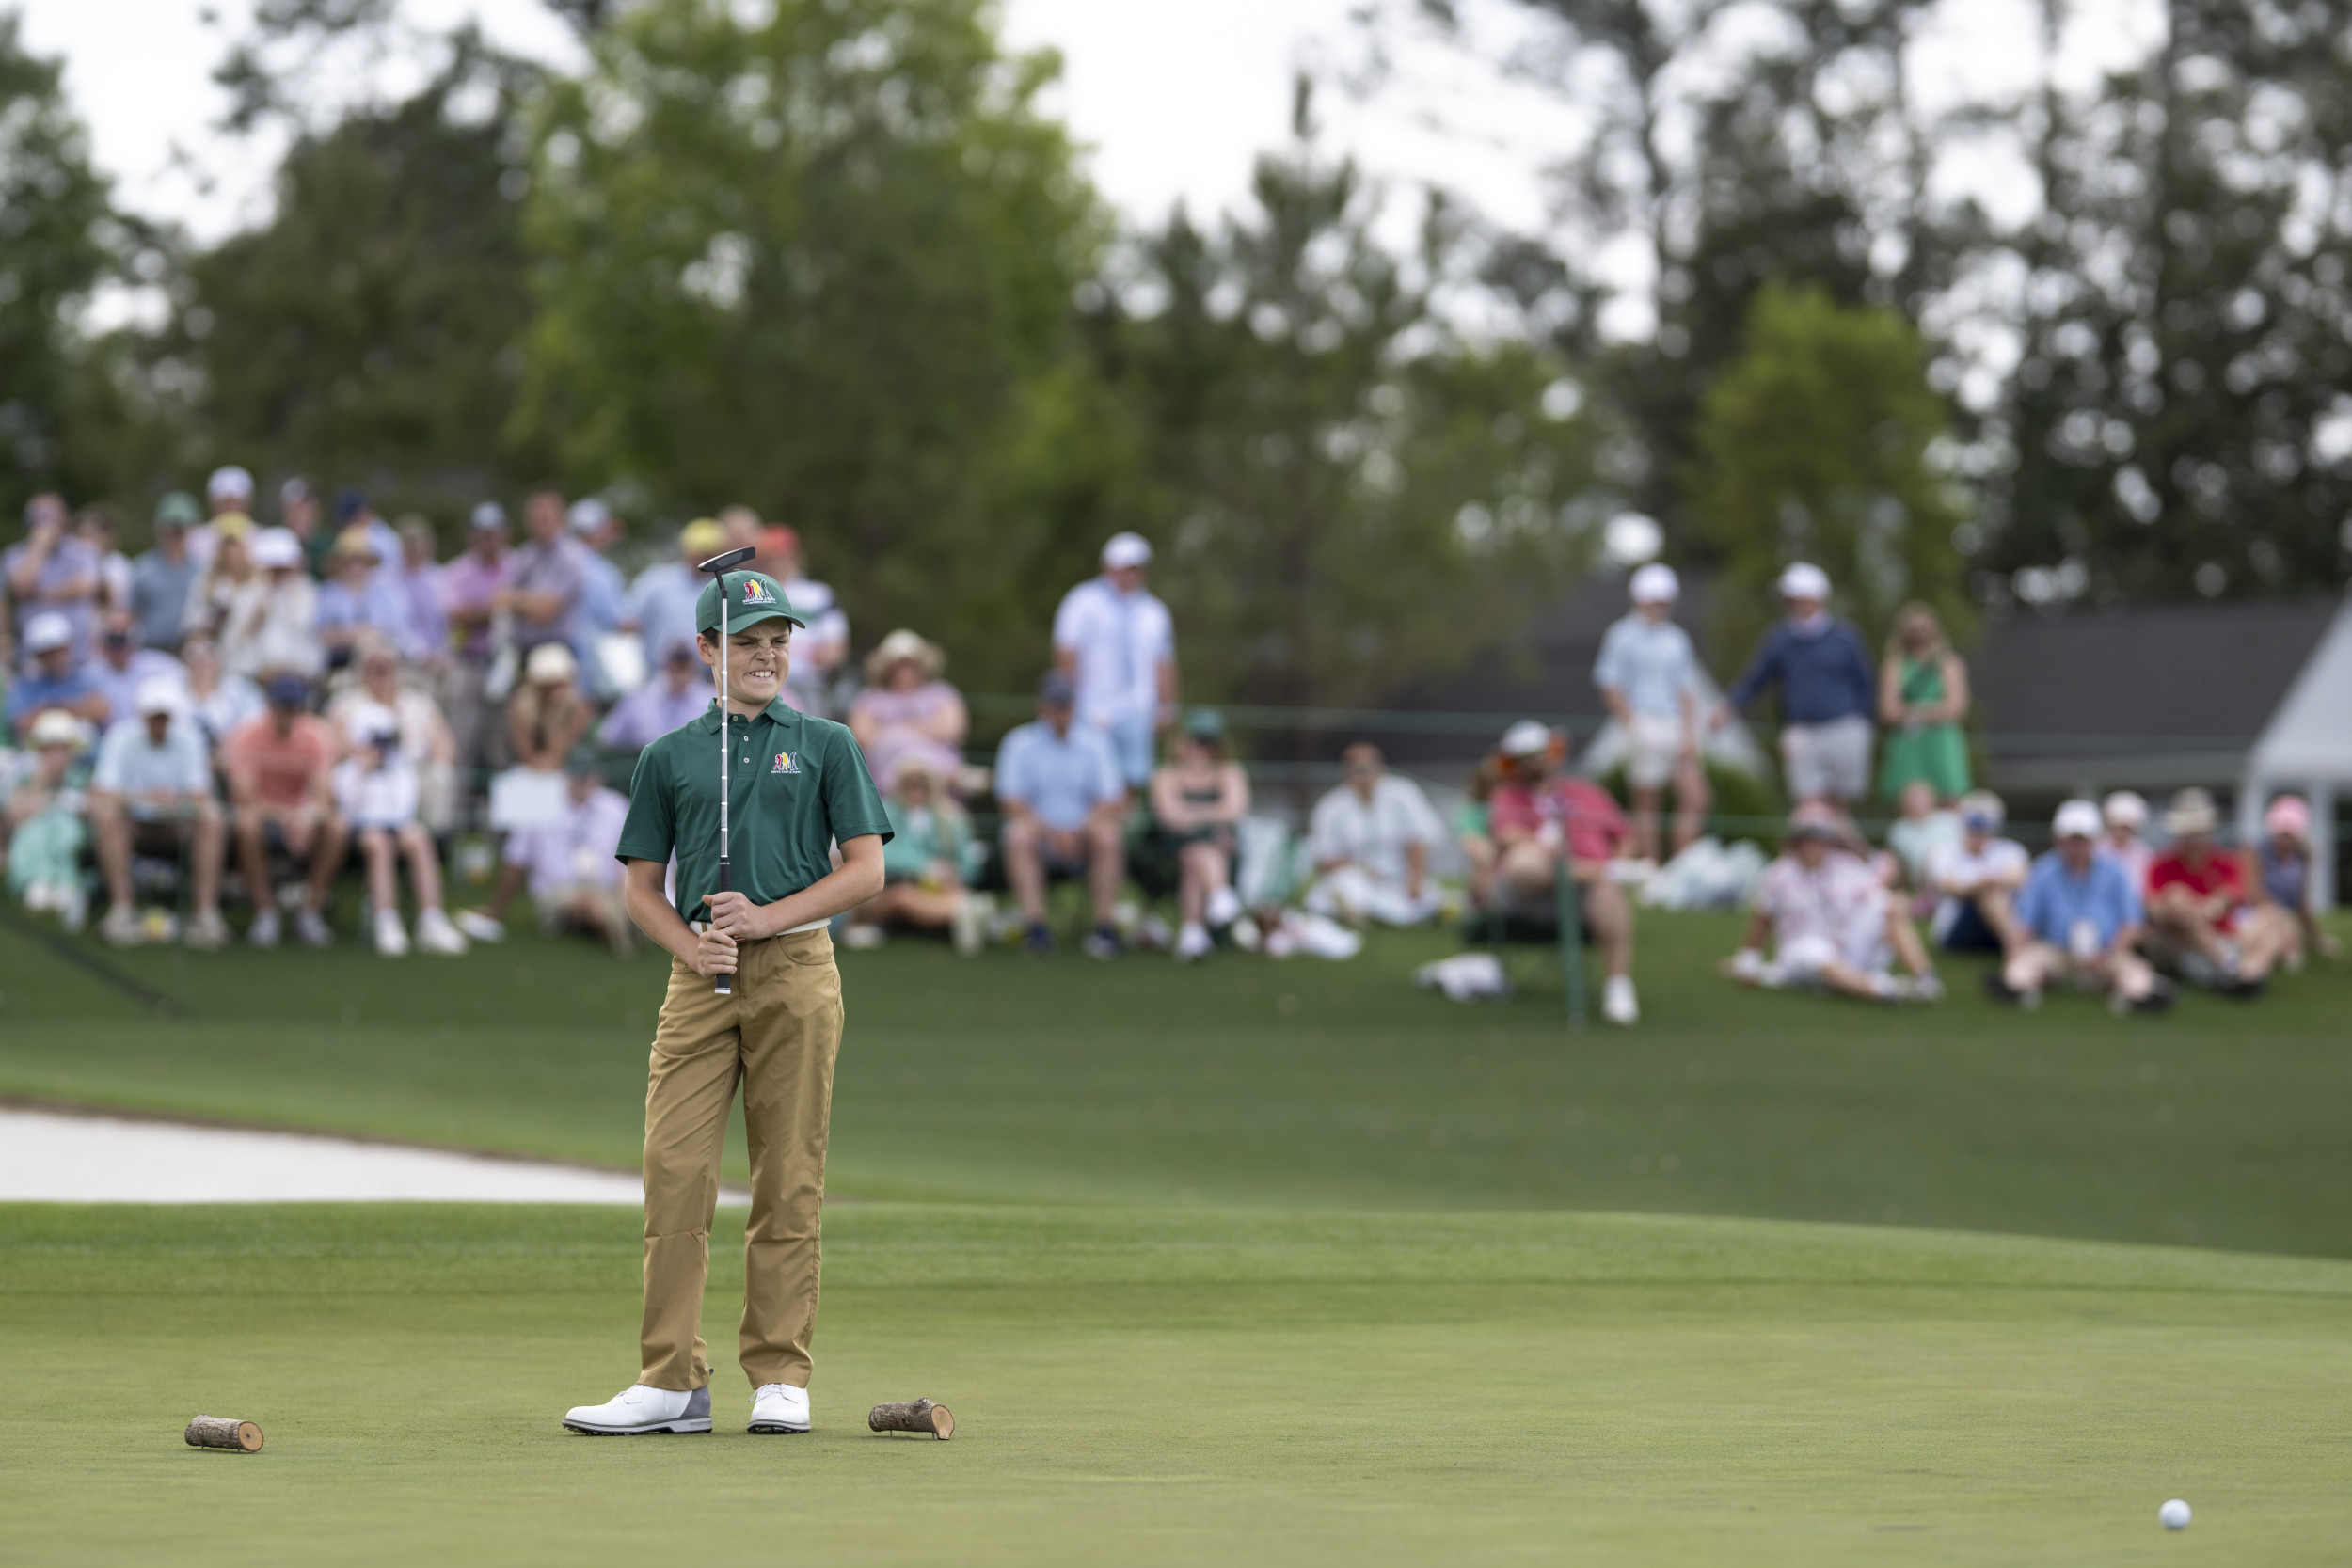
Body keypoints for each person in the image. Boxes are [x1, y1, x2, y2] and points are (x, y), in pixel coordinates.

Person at [563, 565, 890, 1441]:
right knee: (674, 1172)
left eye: (779, 641)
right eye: (748, 642)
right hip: (697, 983)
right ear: (708, 649)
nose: (767, 655)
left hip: (795, 972)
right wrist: (690, 941)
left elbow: (865, 869)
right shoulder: (667, 756)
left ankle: (779, 1372)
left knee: (787, 1174)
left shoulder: (826, 742)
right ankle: (671, 1379)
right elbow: (640, 887)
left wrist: (766, 916)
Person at [1487, 720, 1641, 1025]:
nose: (1535, 761)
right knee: (1527, 862)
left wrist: (1614, 862)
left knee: (1608, 892)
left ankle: (1618, 988)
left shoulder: (1587, 793)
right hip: (1531, 896)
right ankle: (1599, 872)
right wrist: (1549, 847)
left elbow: (1624, 835)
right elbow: (1509, 838)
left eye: (1540, 752)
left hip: (1584, 897)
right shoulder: (1507, 797)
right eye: (1525, 756)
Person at [453, 643, 596, 941]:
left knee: (527, 826)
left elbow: (562, 752)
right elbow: (529, 754)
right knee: (524, 822)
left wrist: (558, 720)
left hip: (571, 784)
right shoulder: (520, 705)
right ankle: (506, 903)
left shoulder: (577, 708)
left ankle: (500, 907)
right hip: (539, 779)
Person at [1726, 804, 1941, 1002]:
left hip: (1846, 945)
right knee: (1813, 952)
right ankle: (1885, 990)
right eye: (1809, 840)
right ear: (1797, 842)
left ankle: (1925, 979)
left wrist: (1896, 900)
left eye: (1821, 840)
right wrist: (1748, 963)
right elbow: (1762, 920)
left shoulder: (1845, 864)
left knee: (1885, 903)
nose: (1815, 847)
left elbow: (1876, 893)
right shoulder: (1778, 873)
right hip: (1801, 951)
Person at [994, 670, 1127, 958]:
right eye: (1054, 705)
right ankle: (1036, 927)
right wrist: (1052, 833)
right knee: (1017, 835)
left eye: (1064, 705)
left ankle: (1104, 927)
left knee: (1109, 835)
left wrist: (1076, 831)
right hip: (1041, 836)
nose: (1059, 713)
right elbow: (1011, 801)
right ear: (1041, 706)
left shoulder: (1097, 743)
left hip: (1084, 834)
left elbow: (1110, 799)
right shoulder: (1019, 743)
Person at [1720, 562, 1877, 805]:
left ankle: (1841, 846)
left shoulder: (1845, 637)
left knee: (1838, 806)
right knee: (1809, 806)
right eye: (1790, 599)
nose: (1793, 605)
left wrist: (1863, 722)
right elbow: (1757, 677)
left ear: (1817, 599)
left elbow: (1865, 682)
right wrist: (1730, 706)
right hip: (1802, 732)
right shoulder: (1780, 639)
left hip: (1844, 728)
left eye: (1799, 598)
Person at [88, 677, 229, 949]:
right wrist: (147, 798)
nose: (158, 724)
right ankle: (122, 911)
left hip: (177, 822)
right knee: (107, 816)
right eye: (154, 717)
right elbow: (101, 792)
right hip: (135, 822)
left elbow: (200, 794)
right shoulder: (121, 736)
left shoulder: (189, 738)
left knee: (212, 818)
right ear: (142, 715)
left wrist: (175, 801)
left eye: (164, 717)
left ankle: (206, 915)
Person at [1992, 800, 2167, 1012]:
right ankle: (2020, 989)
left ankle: (2134, 997)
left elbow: (2131, 923)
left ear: (2094, 840)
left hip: (2106, 953)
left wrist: (2110, 952)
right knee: (2021, 969)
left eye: (2082, 840)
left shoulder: (2116, 871)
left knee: (2136, 975)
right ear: (2058, 839)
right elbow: (2024, 922)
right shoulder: (2044, 870)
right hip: (2057, 952)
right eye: (2071, 839)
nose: (2076, 847)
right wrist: (2014, 955)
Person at [329, 701, 467, 958]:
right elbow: (348, 807)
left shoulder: (400, 767)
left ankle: (431, 919)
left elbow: (405, 804)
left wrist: (395, 822)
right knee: (379, 844)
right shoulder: (347, 770)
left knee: (418, 838)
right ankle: (386, 920)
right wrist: (363, 772)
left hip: (397, 825)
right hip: (362, 830)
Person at [1593, 562, 1709, 861]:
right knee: (1647, 802)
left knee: (1696, 797)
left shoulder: (1676, 639)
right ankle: (1650, 868)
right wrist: (1634, 726)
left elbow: (1686, 690)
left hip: (1673, 723)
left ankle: (1683, 868)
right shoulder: (1621, 635)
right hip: (1642, 721)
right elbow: (1610, 685)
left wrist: (1688, 733)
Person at [220, 673, 343, 948]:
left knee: (336, 827)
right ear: (270, 706)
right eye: (282, 707)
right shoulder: (246, 735)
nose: (287, 715)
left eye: (293, 708)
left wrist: (307, 815)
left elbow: (324, 795)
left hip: (300, 816)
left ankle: (310, 910)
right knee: (247, 825)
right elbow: (245, 798)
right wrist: (288, 816)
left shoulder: (317, 735)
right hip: (264, 816)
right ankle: (265, 912)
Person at [1052, 531, 1175, 788]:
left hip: (1139, 707)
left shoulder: (1154, 611)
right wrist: (1069, 699)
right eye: (1124, 567)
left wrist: (1166, 706)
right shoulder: (1082, 601)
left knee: (1133, 778)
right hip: (1093, 705)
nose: (1129, 574)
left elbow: (1163, 662)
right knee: (1091, 777)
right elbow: (1067, 652)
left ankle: (1120, 828)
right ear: (1108, 566)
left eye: (1135, 568)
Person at [2144, 786, 2293, 994]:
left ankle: (2249, 975)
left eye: (2198, 833)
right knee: (2177, 897)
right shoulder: (2160, 864)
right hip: (2180, 945)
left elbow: (2235, 895)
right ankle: (2230, 969)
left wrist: (2213, 905)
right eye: (2189, 834)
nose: (2194, 840)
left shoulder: (2228, 862)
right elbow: (2154, 908)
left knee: (2272, 915)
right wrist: (2186, 909)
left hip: (2225, 936)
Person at [501, 746, 637, 954]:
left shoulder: (616, 806)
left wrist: (626, 895)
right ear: (564, 774)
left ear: (599, 776)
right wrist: (497, 910)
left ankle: (614, 927)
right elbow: (515, 859)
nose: (581, 782)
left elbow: (627, 863)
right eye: (576, 775)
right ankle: (619, 938)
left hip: (602, 889)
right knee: (591, 906)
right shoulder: (538, 799)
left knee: (607, 904)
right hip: (554, 891)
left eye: (587, 775)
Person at [846, 757, 983, 954]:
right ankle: (961, 914)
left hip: (941, 886)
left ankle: (963, 913)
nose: (916, 789)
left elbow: (969, 858)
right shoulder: (883, 812)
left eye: (922, 783)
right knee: (902, 897)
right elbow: (878, 853)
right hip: (893, 885)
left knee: (951, 893)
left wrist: (955, 873)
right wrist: (926, 866)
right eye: (910, 783)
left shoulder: (952, 817)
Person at [327, 637, 460, 834]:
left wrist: (432, 763)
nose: (381, 672)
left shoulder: (420, 704)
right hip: (367, 771)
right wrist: (365, 756)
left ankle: (435, 839)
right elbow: (334, 745)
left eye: (386, 667)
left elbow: (445, 746)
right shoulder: (345, 704)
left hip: (415, 772)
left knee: (441, 775)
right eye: (374, 667)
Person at [1305, 742, 1444, 927]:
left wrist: (1415, 877)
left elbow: (1419, 838)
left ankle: (1370, 912)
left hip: (1400, 878)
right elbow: (1324, 857)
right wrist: (1363, 869)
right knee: (1344, 887)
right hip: (1357, 877)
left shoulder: (1403, 793)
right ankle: (1355, 909)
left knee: (1424, 899)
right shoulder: (1331, 805)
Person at [1149, 709, 1250, 963]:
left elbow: (1235, 811)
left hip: (1216, 849)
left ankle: (1192, 932)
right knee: (1197, 852)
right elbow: (1169, 816)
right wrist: (1211, 816)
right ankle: (1220, 895)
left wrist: (1193, 814)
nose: (1199, 750)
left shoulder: (1229, 772)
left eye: (1207, 744)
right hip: (1168, 851)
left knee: (1197, 855)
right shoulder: (1166, 775)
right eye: (1194, 741)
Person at [439, 502, 514, 779]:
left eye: (493, 532)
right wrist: (499, 606)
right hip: (467, 661)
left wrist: (483, 608)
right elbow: (456, 615)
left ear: (505, 533)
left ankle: (506, 820)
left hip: (506, 663)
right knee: (462, 740)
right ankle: (457, 817)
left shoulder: (516, 566)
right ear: (471, 536)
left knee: (504, 744)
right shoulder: (457, 571)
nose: (488, 540)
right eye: (482, 533)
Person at [745, 518, 848, 715]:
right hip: (759, 678)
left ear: (794, 556)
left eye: (780, 556)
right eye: (769, 557)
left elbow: (836, 647)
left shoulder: (818, 594)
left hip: (805, 683)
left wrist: (814, 657)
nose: (775, 563)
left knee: (809, 737)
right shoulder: (750, 594)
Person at [846, 629, 966, 795]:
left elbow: (952, 729)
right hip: (886, 776)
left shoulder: (942, 693)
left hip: (938, 778)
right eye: (899, 665)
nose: (905, 671)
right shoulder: (870, 697)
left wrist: (897, 730)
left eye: (910, 665)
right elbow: (860, 736)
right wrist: (911, 732)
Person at [6, 709, 93, 928]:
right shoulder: (27, 778)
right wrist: (43, 784)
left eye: (62, 749)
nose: (57, 755)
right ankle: (37, 883)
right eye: (51, 749)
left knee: (65, 827)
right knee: (34, 829)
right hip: (33, 850)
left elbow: (92, 814)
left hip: (72, 848)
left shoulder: (82, 778)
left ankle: (67, 885)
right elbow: (15, 815)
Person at [1876, 601, 1970, 802]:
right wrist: (1935, 709)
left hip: (1942, 742)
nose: (1920, 634)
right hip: (1907, 744)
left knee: (1950, 801)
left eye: (1924, 629)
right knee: (1909, 802)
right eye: (1914, 629)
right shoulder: (1894, 665)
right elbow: (1888, 711)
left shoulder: (1949, 663)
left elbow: (1955, 708)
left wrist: (1909, 711)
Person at [1922, 790, 2028, 953]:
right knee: (1988, 892)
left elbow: (2020, 878)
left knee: (1995, 893)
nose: (1979, 833)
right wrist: (1982, 884)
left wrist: (1990, 881)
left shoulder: (2010, 850)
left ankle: (2015, 944)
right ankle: (2018, 948)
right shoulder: (1944, 851)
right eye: (1974, 825)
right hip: (1956, 927)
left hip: (1999, 922)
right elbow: (1948, 885)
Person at [8, 492, 103, 667]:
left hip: (79, 655)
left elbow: (86, 585)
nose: (47, 524)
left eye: (52, 517)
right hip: (34, 658)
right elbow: (20, 588)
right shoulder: (15, 555)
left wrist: (41, 594)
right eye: (40, 518)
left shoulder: (83, 550)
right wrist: (38, 548)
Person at [625, 517, 726, 673]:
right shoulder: (657, 580)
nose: (704, 558)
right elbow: (629, 622)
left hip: (704, 676)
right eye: (699, 551)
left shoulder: (722, 589)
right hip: (655, 673)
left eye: (709, 553)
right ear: (685, 550)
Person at [220, 527, 321, 679]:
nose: (279, 574)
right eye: (274, 568)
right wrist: (255, 618)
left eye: (283, 568)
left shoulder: (306, 590)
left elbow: (304, 627)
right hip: (254, 674)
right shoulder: (247, 593)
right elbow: (232, 642)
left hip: (299, 673)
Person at [2252, 794, 2338, 972]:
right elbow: (2252, 893)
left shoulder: (2302, 857)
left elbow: (2301, 901)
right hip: (2259, 915)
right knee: (2282, 943)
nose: (2286, 841)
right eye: (2282, 835)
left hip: (2285, 920)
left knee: (2293, 957)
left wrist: (2316, 938)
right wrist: (2281, 917)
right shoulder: (2255, 850)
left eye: (2290, 835)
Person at [502, 484, 584, 657]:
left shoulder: (571, 557)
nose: (541, 516)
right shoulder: (526, 554)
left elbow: (545, 611)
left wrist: (515, 600)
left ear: (561, 517)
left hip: (556, 651)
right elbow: (499, 599)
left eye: (547, 512)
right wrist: (529, 602)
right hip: (524, 649)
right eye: (536, 511)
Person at [86, 617, 189, 749]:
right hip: (105, 743)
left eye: (123, 640)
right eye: (113, 641)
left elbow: (187, 679)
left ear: (134, 640)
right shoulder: (90, 673)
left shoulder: (157, 665)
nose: (118, 648)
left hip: (150, 740)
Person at [315, 529, 404, 670]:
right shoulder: (327, 592)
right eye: (349, 562)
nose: (355, 567)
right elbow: (321, 633)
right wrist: (357, 635)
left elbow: (393, 627)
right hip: (341, 661)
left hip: (381, 658)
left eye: (360, 562)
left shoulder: (381, 592)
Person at [601, 641, 713, 752]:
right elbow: (607, 738)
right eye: (675, 665)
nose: (680, 673)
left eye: (684, 667)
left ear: (694, 667)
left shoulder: (710, 700)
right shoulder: (638, 698)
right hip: (648, 764)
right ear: (664, 666)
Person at [7, 612, 110, 733]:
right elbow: (20, 723)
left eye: (59, 649)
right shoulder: (26, 684)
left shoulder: (87, 675)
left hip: (88, 750)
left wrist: (50, 709)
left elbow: (102, 710)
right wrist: (77, 709)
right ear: (37, 656)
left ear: (69, 647)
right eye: (47, 653)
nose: (55, 657)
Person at [130, 493, 204, 651]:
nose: (176, 533)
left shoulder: (203, 568)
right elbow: (131, 614)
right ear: (159, 528)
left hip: (192, 654)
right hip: (151, 651)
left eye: (181, 527)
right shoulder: (143, 568)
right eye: (172, 526)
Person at [179, 632, 265, 755]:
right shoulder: (167, 691)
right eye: (193, 652)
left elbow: (256, 730)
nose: (201, 659)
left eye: (208, 651)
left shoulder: (242, 692)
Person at [181, 513, 255, 643]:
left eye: (235, 543)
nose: (231, 551)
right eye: (227, 544)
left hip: (250, 658)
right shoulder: (205, 580)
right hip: (214, 656)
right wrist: (211, 623)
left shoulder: (259, 581)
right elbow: (190, 623)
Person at [1884, 779, 1962, 905]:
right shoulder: (1899, 829)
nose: (1916, 803)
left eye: (1921, 798)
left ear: (1932, 799)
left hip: (1956, 868)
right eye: (1912, 799)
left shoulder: (1949, 819)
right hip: (1925, 879)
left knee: (1940, 854)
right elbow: (1900, 866)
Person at [385, 517, 449, 668]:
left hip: (440, 657)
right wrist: (421, 654)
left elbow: (446, 622)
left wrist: (440, 653)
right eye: (408, 542)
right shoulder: (385, 579)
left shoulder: (441, 576)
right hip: (400, 658)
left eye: (417, 542)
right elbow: (393, 624)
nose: (413, 548)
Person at [1454, 755, 1501, 914]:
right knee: (1483, 864)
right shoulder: (1474, 810)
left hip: (1503, 855)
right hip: (1486, 858)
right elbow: (1469, 838)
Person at [190, 465, 256, 564]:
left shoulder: (265, 540)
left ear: (249, 502)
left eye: (236, 502)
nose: (231, 507)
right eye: (225, 502)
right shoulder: (194, 541)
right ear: (212, 503)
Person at [76, 504, 135, 617]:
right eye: (81, 536)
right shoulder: (71, 562)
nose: (85, 542)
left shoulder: (119, 565)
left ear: (105, 537)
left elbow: (116, 602)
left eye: (90, 535)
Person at [2100, 790, 2153, 891]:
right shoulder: (2096, 850)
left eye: (2126, 828)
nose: (2121, 832)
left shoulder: (2143, 853)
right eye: (2118, 826)